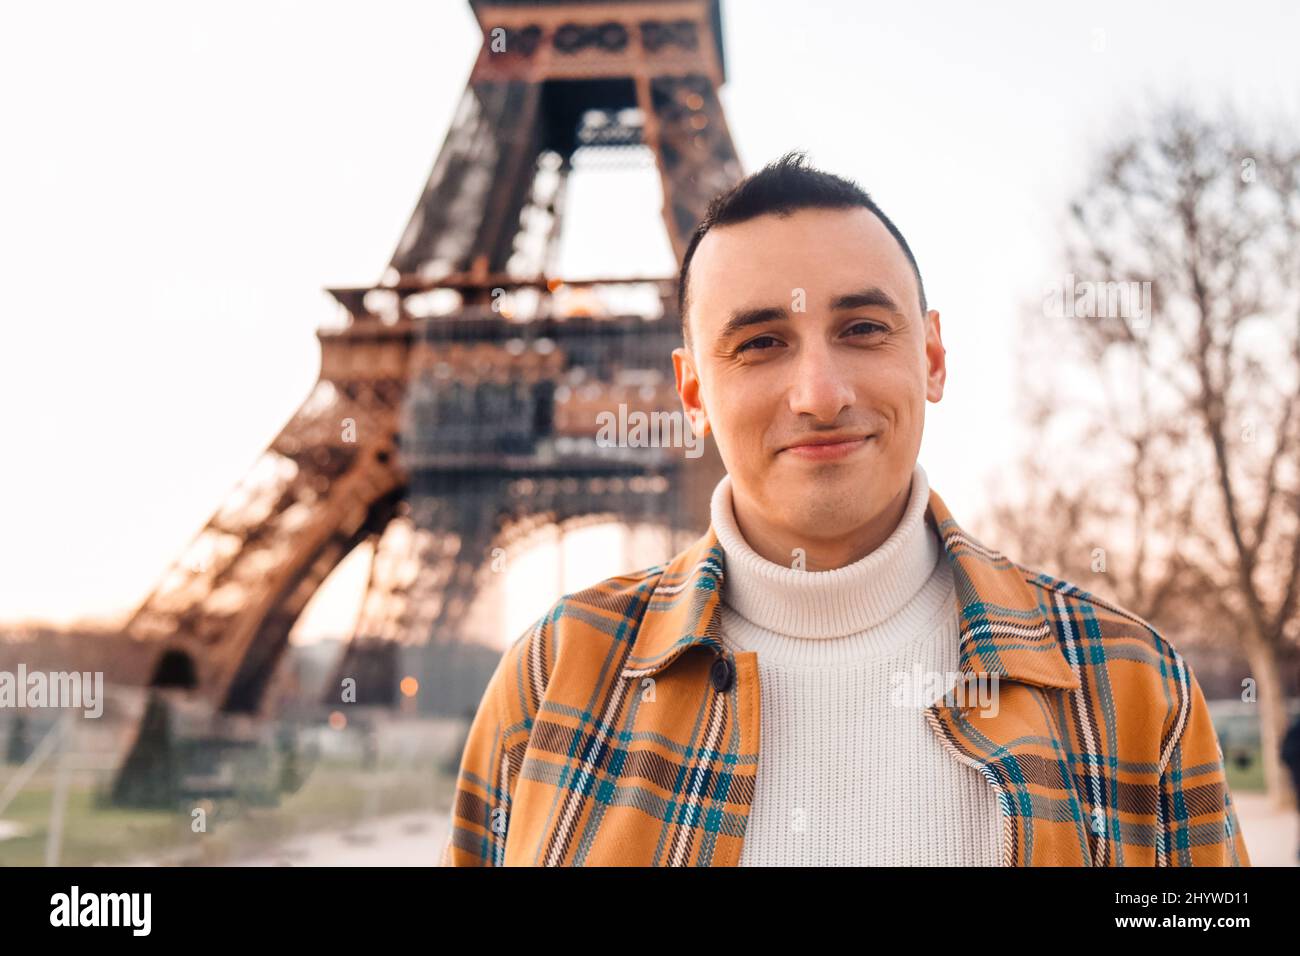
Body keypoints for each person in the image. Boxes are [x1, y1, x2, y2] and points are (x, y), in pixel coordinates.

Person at [440, 151, 1250, 867]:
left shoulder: (1138, 689)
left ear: (931, 357)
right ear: (692, 391)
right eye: (760, 343)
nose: (821, 396)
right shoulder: (551, 678)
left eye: (863, 328)